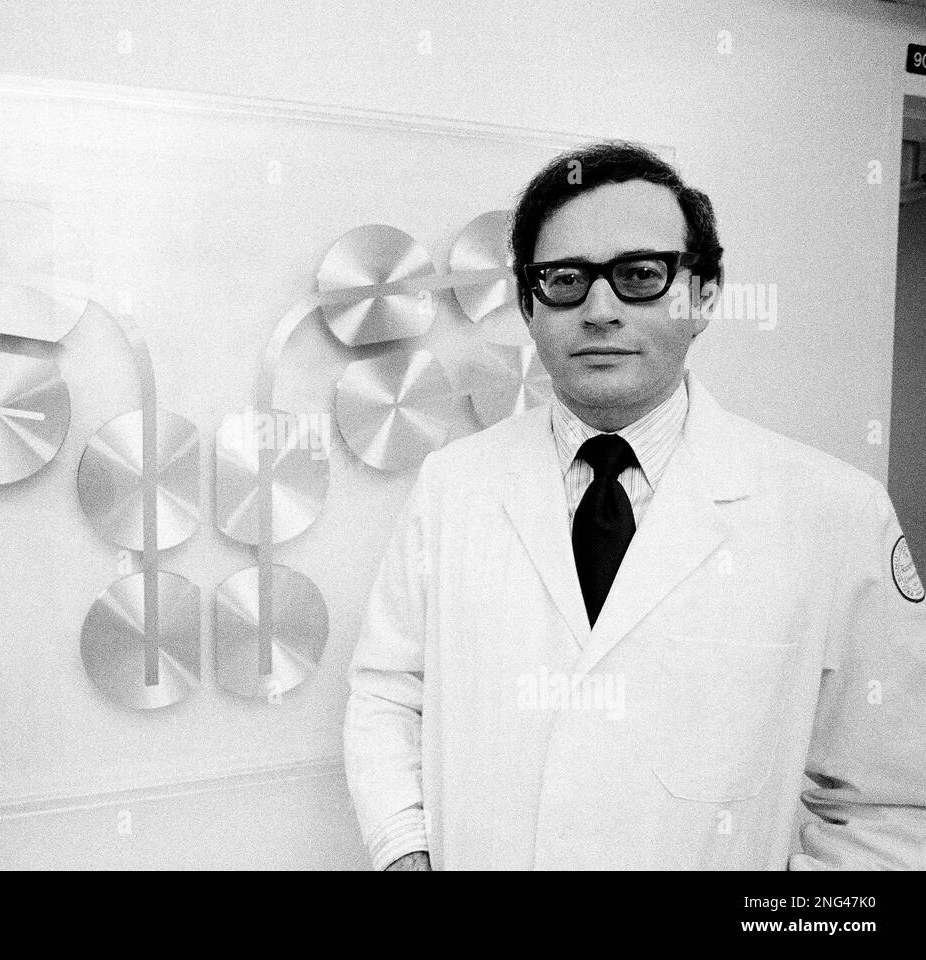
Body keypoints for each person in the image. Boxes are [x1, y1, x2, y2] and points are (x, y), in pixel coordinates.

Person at [342, 140, 926, 870]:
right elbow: (389, 691)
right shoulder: (452, 486)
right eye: (564, 280)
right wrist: (405, 853)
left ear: (705, 295)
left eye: (641, 275)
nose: (599, 309)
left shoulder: (833, 513)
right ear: (528, 305)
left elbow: (888, 801)